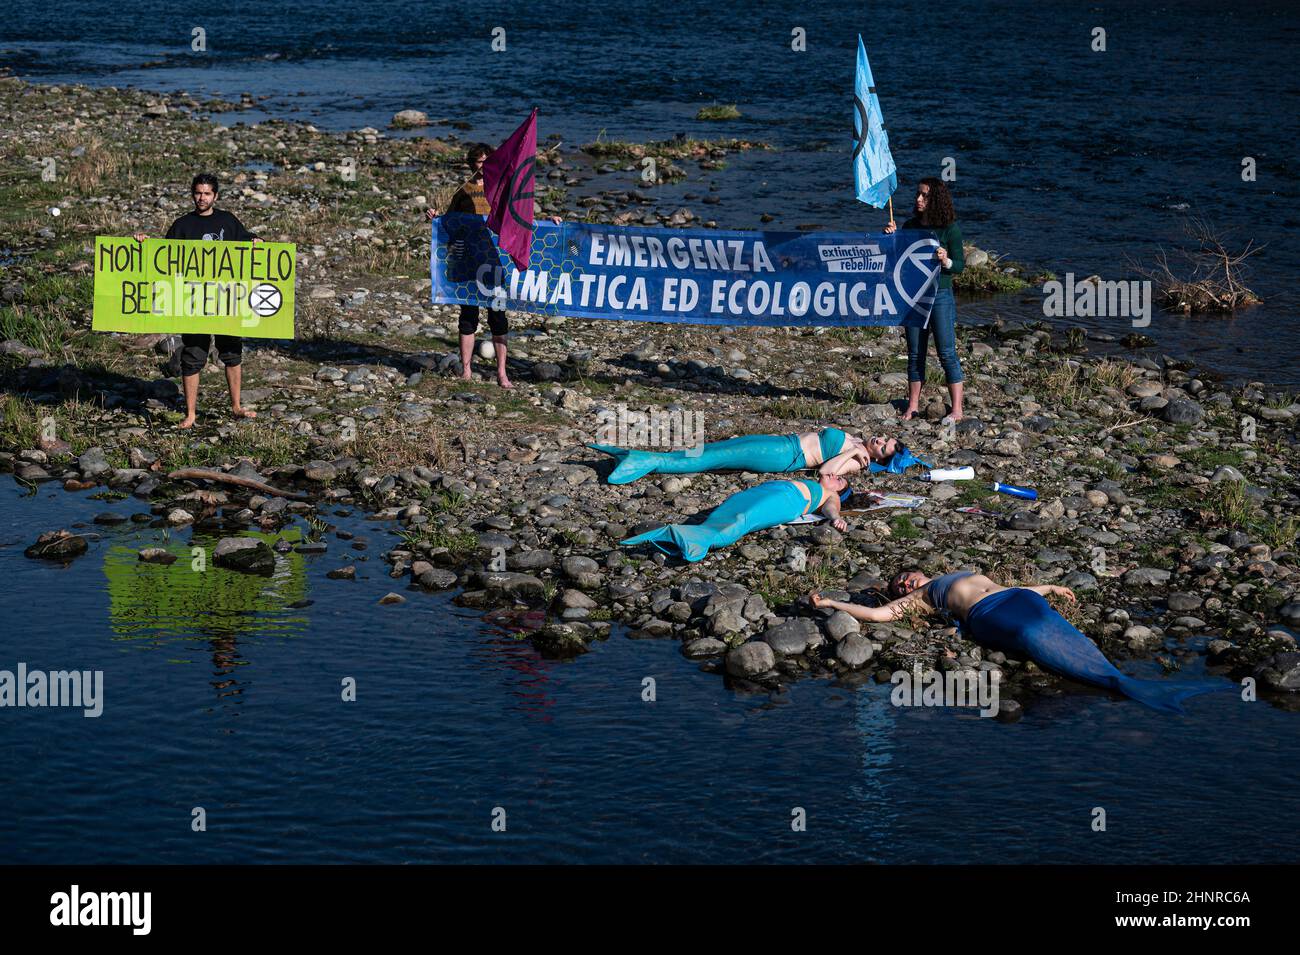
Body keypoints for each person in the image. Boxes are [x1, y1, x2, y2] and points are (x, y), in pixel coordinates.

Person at [809, 570, 1230, 713]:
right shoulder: (922, 599)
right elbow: (878, 614)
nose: (907, 582)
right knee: (1031, 637)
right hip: (990, 616)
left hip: (1018, 597)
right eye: (901, 584)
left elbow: (1007, 584)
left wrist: (1049, 587)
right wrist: (831, 602)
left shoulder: (952, 572)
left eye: (907, 575)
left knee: (1065, 633)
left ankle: (1118, 678)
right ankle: (1120, 685)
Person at [427, 143, 562, 390]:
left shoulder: (501, 190)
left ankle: (502, 374)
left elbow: (518, 219)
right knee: (468, 317)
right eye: (479, 162)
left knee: (498, 318)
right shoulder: (463, 192)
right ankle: (466, 370)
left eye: (487, 161)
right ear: (471, 164)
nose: (483, 166)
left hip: (496, 265)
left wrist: (548, 224)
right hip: (469, 263)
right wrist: (436, 218)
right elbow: (449, 224)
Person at [133, 172, 261, 429]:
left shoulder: (228, 221)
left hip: (226, 300)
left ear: (215, 196)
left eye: (206, 194)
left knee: (231, 353)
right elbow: (162, 258)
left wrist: (257, 241)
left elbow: (247, 241)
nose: (201, 198)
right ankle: (190, 414)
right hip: (193, 302)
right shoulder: (182, 225)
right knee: (193, 356)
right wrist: (143, 244)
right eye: (197, 193)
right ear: (192, 193)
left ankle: (236, 407)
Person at [622, 473, 851, 562]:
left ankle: (695, 541)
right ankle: (680, 539)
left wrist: (835, 518)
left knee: (745, 517)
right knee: (726, 511)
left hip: (788, 501)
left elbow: (832, 506)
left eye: (840, 480)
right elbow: (831, 466)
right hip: (768, 489)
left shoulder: (830, 494)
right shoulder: (818, 477)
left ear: (840, 491)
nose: (834, 475)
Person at [884, 178, 964, 422]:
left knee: (946, 352)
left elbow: (959, 266)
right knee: (915, 353)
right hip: (913, 297)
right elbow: (895, 261)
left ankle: (957, 409)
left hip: (940, 295)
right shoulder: (909, 226)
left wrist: (946, 260)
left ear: (936, 199)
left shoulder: (950, 229)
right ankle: (913, 406)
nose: (918, 199)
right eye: (918, 194)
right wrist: (890, 239)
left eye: (924, 196)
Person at [590, 429, 922, 485]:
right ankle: (638, 455)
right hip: (778, 441)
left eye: (883, 446)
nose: (878, 440)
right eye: (884, 438)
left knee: (712, 458)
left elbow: (825, 471)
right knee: (711, 449)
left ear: (878, 459)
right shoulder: (858, 441)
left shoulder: (856, 459)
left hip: (782, 455)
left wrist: (853, 452)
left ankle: (645, 463)